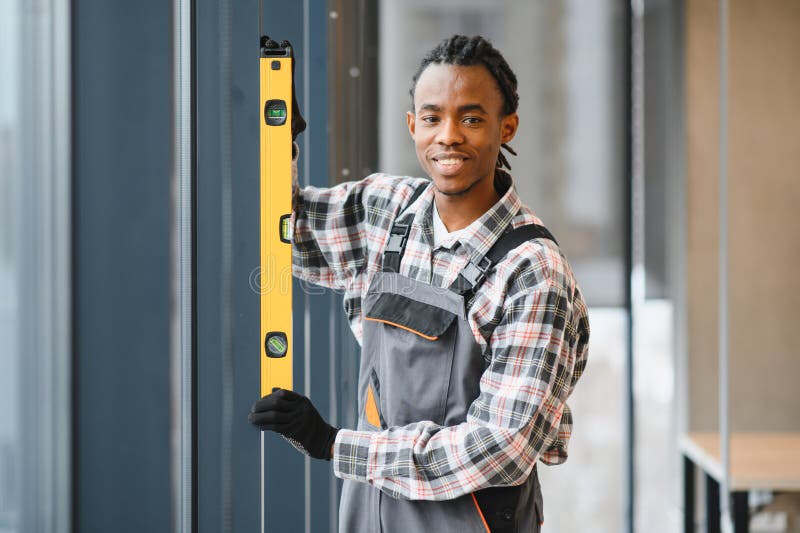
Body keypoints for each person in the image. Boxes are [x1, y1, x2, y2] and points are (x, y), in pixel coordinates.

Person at [249, 34, 590, 533]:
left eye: (471, 118)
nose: (448, 135)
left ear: (507, 126)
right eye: (432, 118)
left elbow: (500, 449)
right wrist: (280, 135)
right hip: (369, 515)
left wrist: (333, 444)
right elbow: (290, 233)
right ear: (413, 126)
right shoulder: (388, 211)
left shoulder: (532, 271)